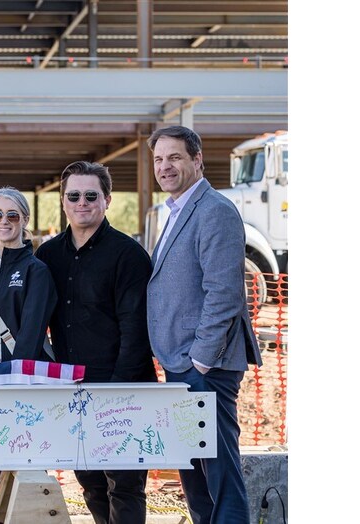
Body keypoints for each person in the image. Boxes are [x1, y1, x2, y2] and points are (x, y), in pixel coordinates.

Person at [146, 126, 262, 524]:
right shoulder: (177, 210)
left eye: (175, 157)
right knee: (195, 477)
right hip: (182, 366)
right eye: (159, 159)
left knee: (220, 475)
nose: (165, 167)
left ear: (197, 160)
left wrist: (200, 361)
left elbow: (224, 294)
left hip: (204, 369)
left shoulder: (214, 210)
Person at [35, 161, 157, 524]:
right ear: (63, 200)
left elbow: (136, 331)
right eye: (73, 195)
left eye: (91, 195)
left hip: (123, 388)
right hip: (71, 390)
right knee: (89, 481)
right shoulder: (48, 256)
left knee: (125, 486)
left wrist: (117, 393)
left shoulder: (129, 256)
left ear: (107, 200)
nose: (82, 202)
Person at [0, 186, 56, 504]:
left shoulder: (36, 270)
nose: (4, 221)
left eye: (12, 215)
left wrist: (15, 383)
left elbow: (31, 335)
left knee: (27, 473)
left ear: (24, 219)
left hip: (20, 381)